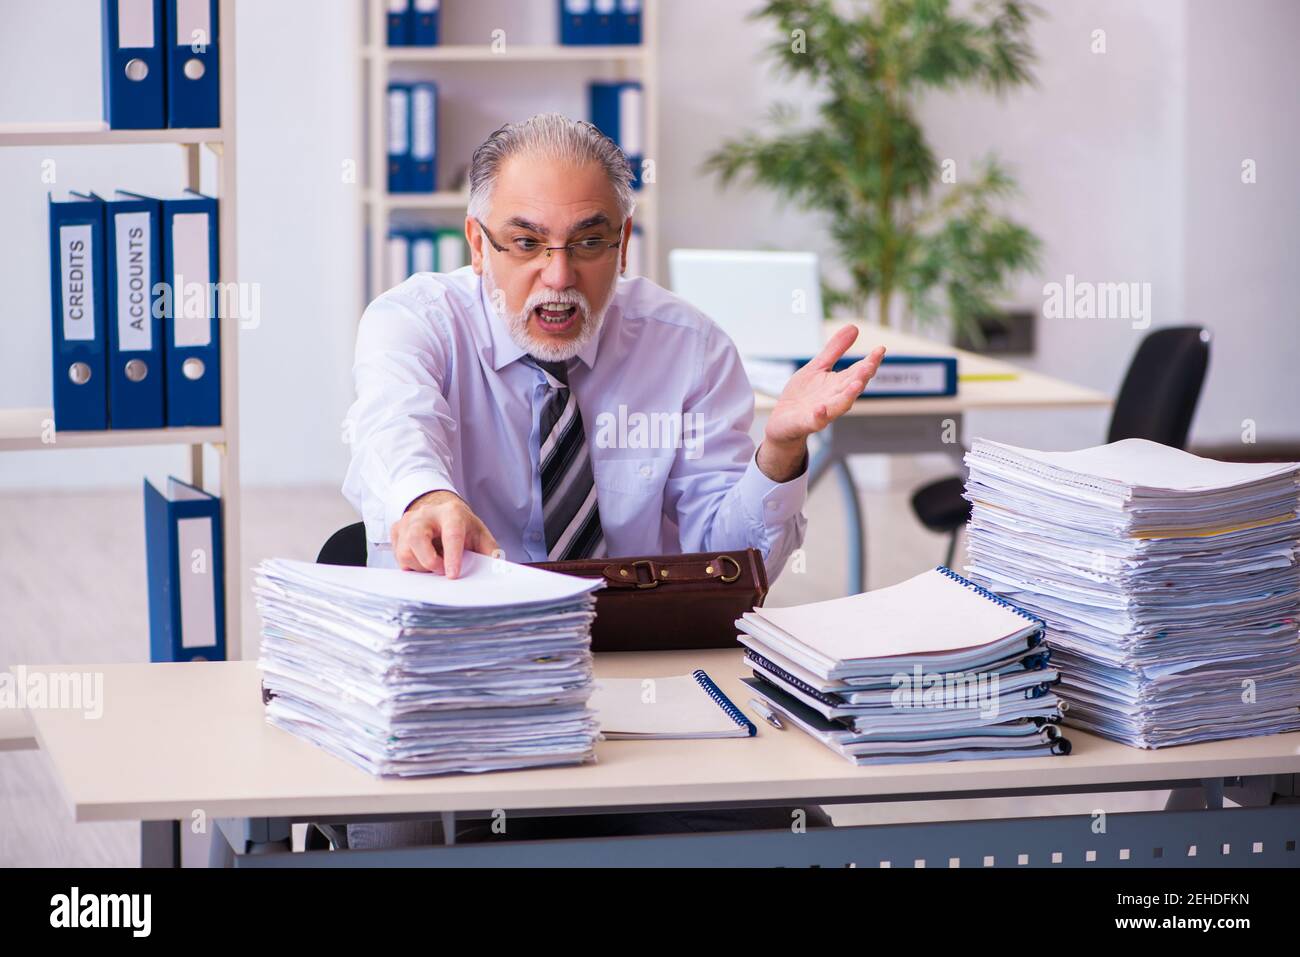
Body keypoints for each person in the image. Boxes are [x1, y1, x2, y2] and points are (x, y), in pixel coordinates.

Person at [341, 113, 884, 849]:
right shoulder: (415, 324)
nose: (559, 277)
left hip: (639, 692)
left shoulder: (689, 347)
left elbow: (729, 565)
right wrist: (427, 496)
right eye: (526, 243)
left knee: (792, 839)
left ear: (623, 243)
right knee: (397, 846)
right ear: (477, 243)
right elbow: (394, 425)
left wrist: (780, 451)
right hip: (458, 686)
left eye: (589, 242)